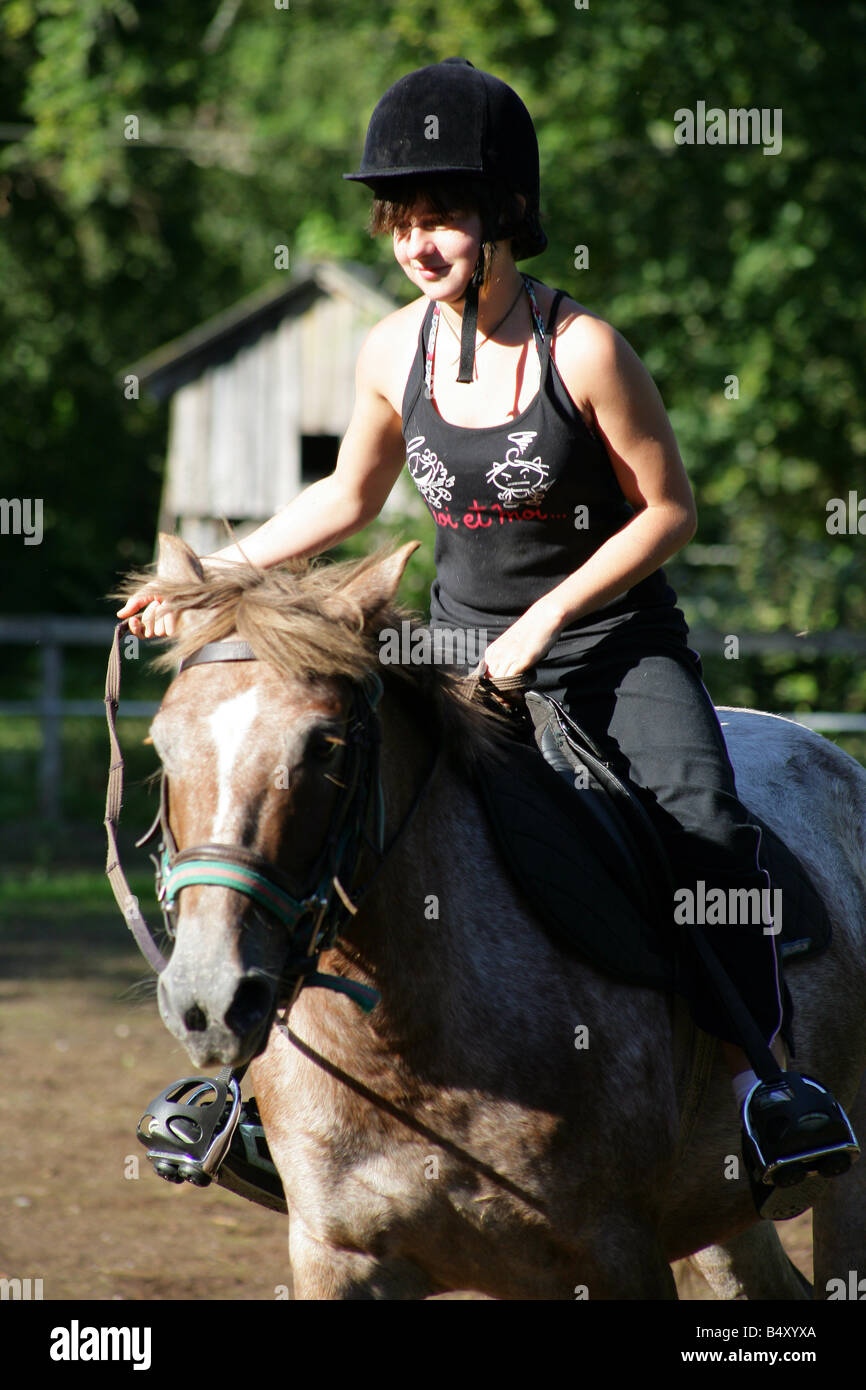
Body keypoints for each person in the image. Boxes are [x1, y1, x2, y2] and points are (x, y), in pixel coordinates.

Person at [119, 57, 857, 1217]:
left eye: (444, 215)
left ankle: (768, 1084)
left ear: (504, 214)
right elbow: (346, 501)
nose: (419, 241)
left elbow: (670, 512)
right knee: (337, 827)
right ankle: (249, 1100)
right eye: (403, 219)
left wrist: (548, 623)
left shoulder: (584, 351)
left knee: (705, 833)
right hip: (453, 651)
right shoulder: (388, 352)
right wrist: (214, 575)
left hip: (612, 652)